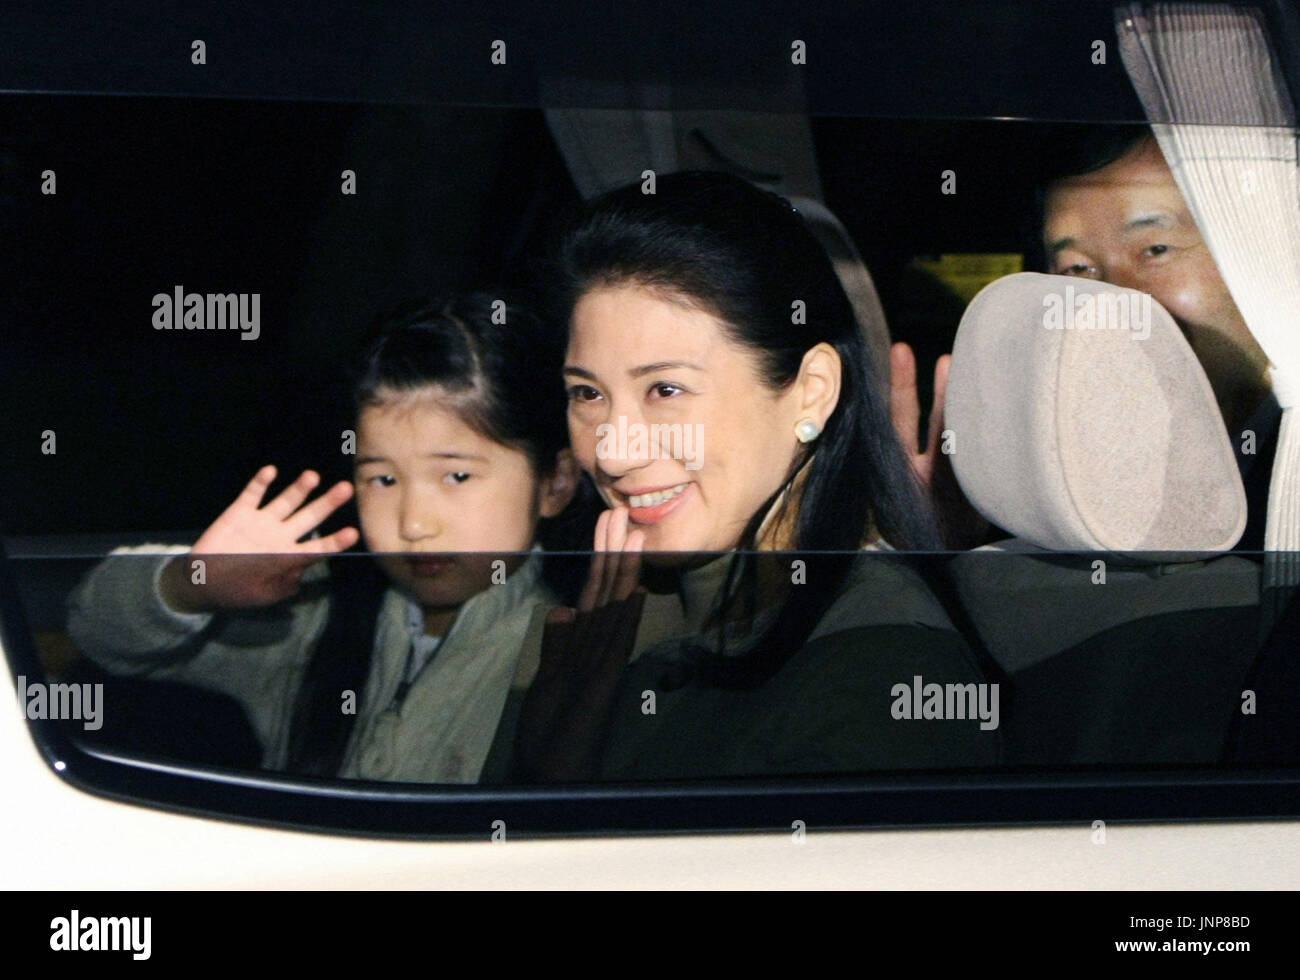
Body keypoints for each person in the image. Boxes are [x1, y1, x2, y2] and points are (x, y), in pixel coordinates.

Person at [502, 170, 1003, 782]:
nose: (614, 452)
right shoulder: (600, 632)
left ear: (810, 393)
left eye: (665, 389)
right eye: (587, 393)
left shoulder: (886, 667)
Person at [67, 294, 592, 783]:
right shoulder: (312, 617)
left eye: (456, 476)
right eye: (382, 479)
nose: (414, 525)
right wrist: (193, 584)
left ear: (555, 483)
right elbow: (97, 632)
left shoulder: (576, 652)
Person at [893, 126, 1280, 550]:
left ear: (1262, 247)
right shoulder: (1065, 482)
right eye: (1078, 269)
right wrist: (940, 541)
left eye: (1156, 249)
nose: (1119, 297)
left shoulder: (1284, 478)